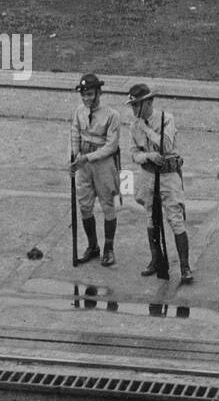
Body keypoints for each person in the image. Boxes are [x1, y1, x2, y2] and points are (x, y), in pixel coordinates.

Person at [127, 83, 191, 284]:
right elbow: (134, 153)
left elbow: (167, 145)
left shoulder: (166, 119)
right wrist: (148, 155)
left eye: (137, 104)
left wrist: (146, 128)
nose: (135, 109)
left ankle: (185, 267)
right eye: (133, 105)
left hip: (168, 174)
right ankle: (156, 260)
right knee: (150, 218)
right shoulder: (133, 125)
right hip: (148, 174)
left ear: (149, 102)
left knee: (175, 219)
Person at [71, 73, 122, 266]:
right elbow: (75, 131)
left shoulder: (111, 115)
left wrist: (87, 157)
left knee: (107, 204)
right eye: (83, 95)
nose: (86, 99)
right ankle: (93, 246)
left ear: (99, 92)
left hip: (103, 163)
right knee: (84, 205)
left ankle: (108, 248)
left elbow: (111, 146)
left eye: (90, 94)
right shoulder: (79, 112)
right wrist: (76, 155)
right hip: (83, 164)